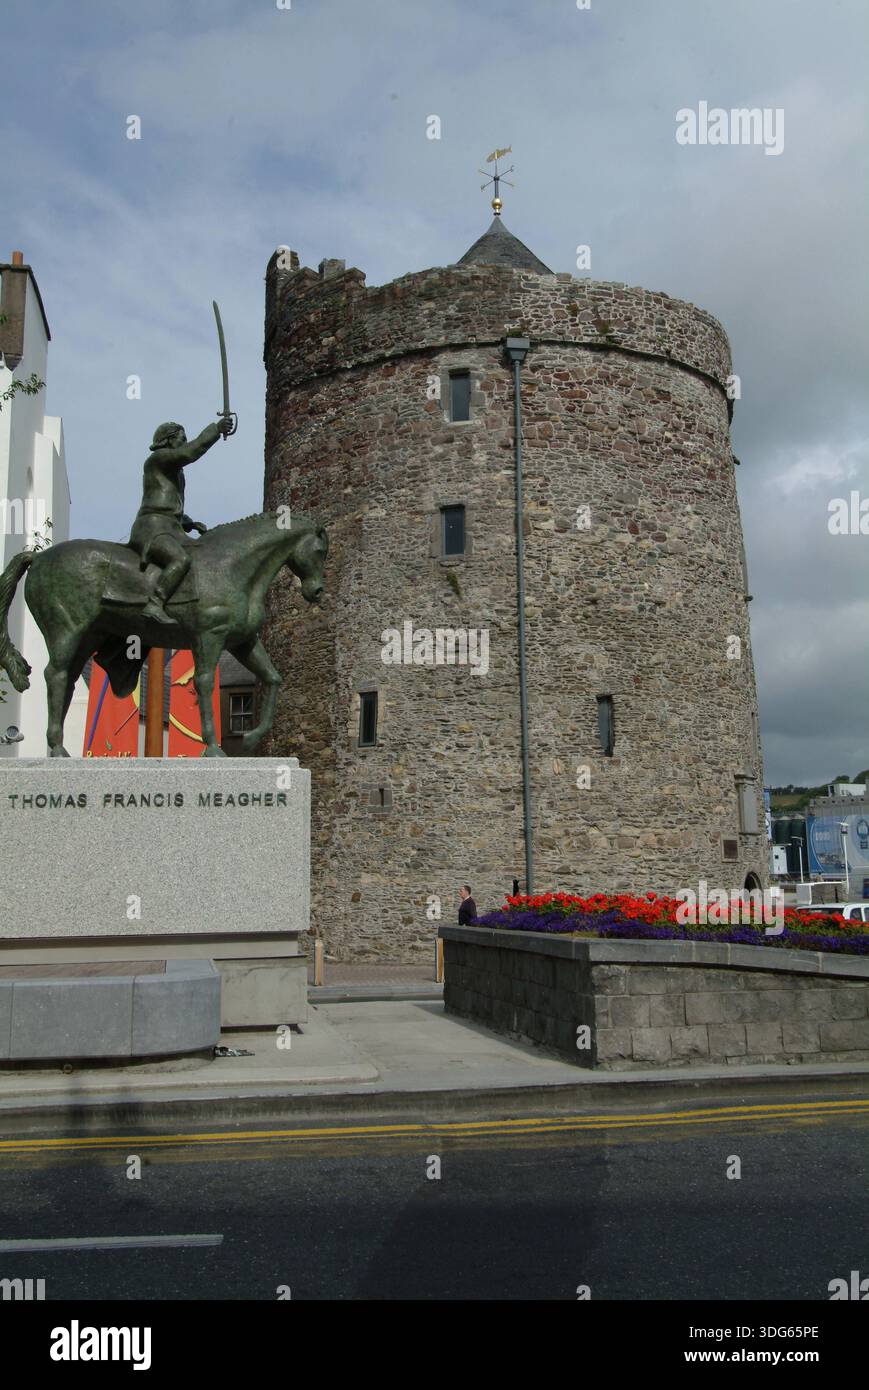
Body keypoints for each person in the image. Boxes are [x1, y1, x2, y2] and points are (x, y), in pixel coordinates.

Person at [129, 418, 232, 624]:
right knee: (180, 560)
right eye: (181, 439)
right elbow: (189, 453)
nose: (184, 443)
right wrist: (215, 430)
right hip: (152, 528)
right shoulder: (157, 459)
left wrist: (189, 523)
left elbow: (167, 504)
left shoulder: (175, 472)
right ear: (168, 441)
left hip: (170, 527)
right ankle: (155, 603)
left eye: (186, 440)